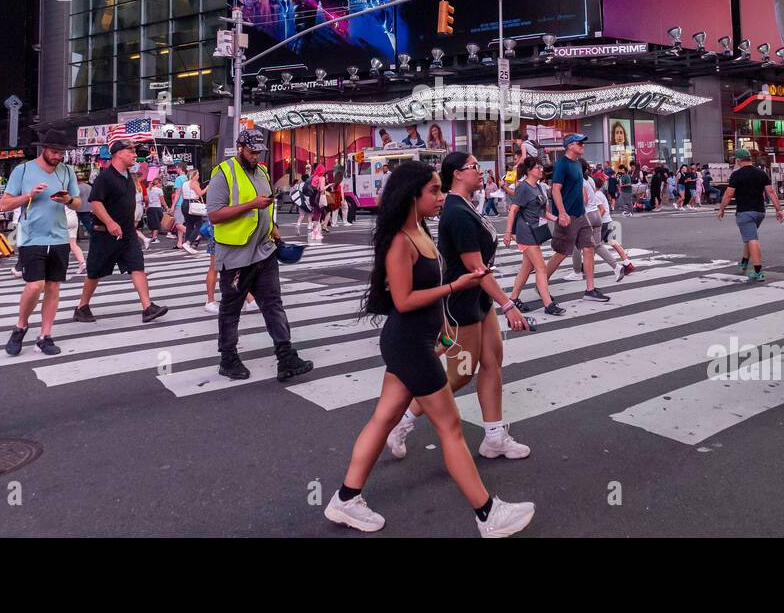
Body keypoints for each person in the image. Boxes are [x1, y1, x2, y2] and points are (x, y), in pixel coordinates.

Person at [325, 160, 535, 537]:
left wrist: (442, 329)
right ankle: (488, 514)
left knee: (385, 419)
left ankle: (346, 499)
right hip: (407, 343)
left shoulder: (420, 229)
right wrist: (457, 286)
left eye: (440, 189)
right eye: (434, 191)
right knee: (451, 427)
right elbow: (404, 301)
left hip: (419, 340)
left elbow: (430, 285)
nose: (440, 197)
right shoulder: (399, 242)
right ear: (412, 196)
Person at [385, 152, 534, 461]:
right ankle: (401, 422)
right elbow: (475, 267)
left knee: (493, 359)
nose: (480, 172)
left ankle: (494, 437)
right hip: (460, 301)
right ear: (457, 174)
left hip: (477, 297)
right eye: (474, 167)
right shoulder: (456, 212)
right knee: (461, 374)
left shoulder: (467, 207)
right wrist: (508, 305)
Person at [206, 127, 312, 381]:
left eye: (259, 152)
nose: (256, 156)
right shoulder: (223, 173)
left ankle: (286, 357)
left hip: (264, 252)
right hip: (236, 257)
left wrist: (273, 229)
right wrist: (251, 205)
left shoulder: (262, 171)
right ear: (241, 148)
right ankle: (228, 358)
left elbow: (266, 208)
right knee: (231, 309)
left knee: (273, 304)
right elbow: (214, 215)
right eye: (252, 151)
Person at [0, 129, 81, 357]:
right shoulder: (23, 170)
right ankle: (21, 326)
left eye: (61, 153)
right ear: (43, 149)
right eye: (54, 152)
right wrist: (28, 195)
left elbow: (77, 203)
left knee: (54, 286)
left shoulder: (66, 171)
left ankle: (45, 336)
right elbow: (3, 205)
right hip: (31, 237)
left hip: (59, 237)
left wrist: (68, 200)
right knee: (34, 285)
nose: (58, 157)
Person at [70, 140, 169, 325]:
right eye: (130, 151)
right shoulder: (105, 177)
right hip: (105, 234)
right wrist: (109, 222)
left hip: (128, 234)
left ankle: (147, 307)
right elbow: (95, 202)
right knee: (94, 272)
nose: (134, 155)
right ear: (118, 154)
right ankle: (81, 307)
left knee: (137, 266)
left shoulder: (129, 177)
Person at [544, 134, 609, 302]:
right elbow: (555, 190)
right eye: (580, 143)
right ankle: (541, 284)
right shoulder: (562, 164)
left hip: (581, 214)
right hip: (568, 215)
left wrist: (584, 201)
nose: (583, 146)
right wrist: (562, 212)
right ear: (570, 145)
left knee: (589, 248)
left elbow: (579, 187)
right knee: (561, 253)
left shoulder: (578, 165)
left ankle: (590, 289)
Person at [502, 155, 565, 316]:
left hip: (535, 230)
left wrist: (558, 219)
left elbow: (543, 213)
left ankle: (514, 299)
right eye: (538, 167)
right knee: (541, 268)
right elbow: (513, 210)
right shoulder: (523, 187)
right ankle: (548, 304)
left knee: (527, 267)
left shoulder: (537, 187)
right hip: (526, 232)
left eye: (541, 167)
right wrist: (508, 232)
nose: (541, 170)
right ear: (529, 170)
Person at [716, 149, 784, 282]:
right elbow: (770, 192)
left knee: (752, 239)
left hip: (744, 211)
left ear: (738, 160)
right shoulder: (761, 173)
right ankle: (744, 262)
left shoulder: (736, 175)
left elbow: (728, 194)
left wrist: (721, 209)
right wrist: (778, 209)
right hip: (759, 212)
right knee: (750, 235)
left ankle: (758, 271)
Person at [180, 166, 205, 253]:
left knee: (189, 225)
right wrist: (208, 188)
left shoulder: (184, 183)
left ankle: (187, 244)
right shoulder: (194, 183)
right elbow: (200, 193)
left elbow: (183, 195)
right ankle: (188, 243)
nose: (198, 177)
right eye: (197, 175)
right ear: (193, 175)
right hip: (192, 204)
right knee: (199, 224)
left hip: (185, 204)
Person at [145, 176, 166, 244]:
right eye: (161, 184)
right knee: (157, 223)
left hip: (150, 208)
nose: (161, 185)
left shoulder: (148, 189)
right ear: (158, 183)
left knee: (151, 222)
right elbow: (162, 200)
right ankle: (154, 238)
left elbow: (145, 199)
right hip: (157, 207)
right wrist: (166, 207)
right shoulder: (159, 190)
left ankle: (152, 235)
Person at [75, 173, 94, 238]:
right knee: (88, 223)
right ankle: (93, 234)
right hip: (88, 208)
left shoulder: (77, 187)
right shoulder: (89, 187)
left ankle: (77, 237)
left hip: (79, 208)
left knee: (76, 224)